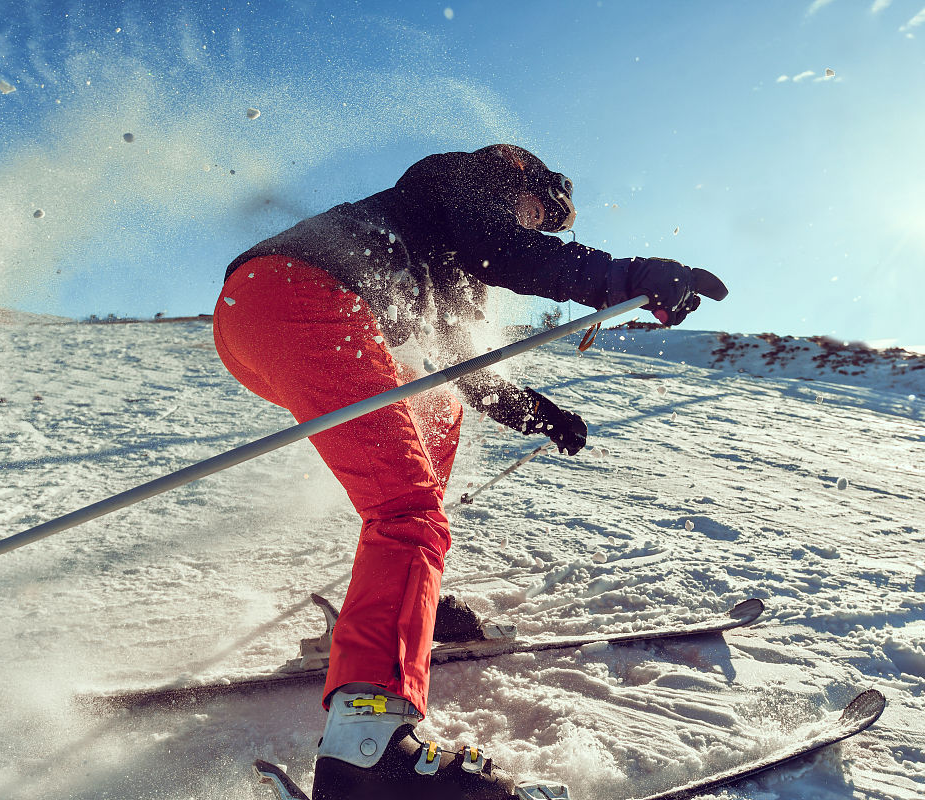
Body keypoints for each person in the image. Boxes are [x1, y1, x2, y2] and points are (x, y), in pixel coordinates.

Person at [212, 144, 727, 800]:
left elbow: (463, 369)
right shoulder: (478, 176)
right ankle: (366, 748)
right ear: (522, 177)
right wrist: (626, 277)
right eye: (537, 210)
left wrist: (543, 415)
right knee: (408, 510)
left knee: (438, 410)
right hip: (306, 295)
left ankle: (401, 614)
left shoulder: (448, 257)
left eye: (544, 221)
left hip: (257, 316)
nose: (532, 224)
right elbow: (506, 249)